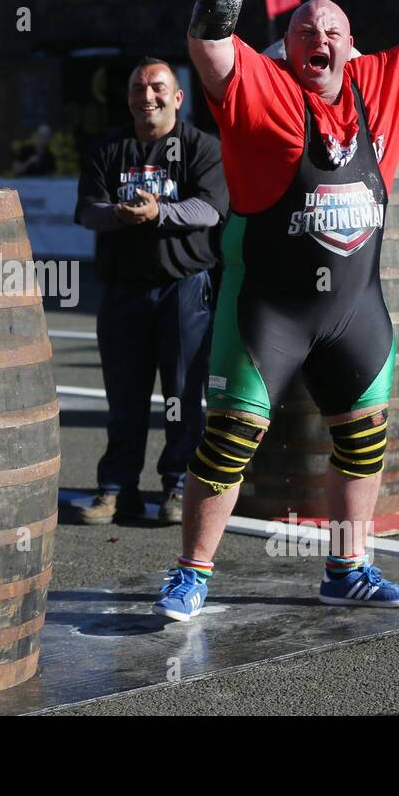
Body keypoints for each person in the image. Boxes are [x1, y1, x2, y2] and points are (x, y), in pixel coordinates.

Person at [152, 0, 399, 620]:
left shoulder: (380, 82)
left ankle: (349, 567)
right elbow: (207, 38)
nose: (316, 38)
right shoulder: (259, 89)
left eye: (330, 30)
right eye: (303, 30)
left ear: (350, 48)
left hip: (355, 311)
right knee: (229, 440)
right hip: (269, 309)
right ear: (285, 49)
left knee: (363, 441)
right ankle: (191, 574)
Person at [74, 58, 230, 525]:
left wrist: (157, 213)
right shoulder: (109, 148)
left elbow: (209, 210)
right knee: (124, 399)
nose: (148, 96)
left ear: (178, 97)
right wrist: (119, 215)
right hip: (123, 292)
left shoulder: (202, 147)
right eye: (139, 88)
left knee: (183, 396)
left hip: (184, 289)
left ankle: (178, 487)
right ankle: (116, 490)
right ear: (128, 98)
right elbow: (86, 211)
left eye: (158, 88)